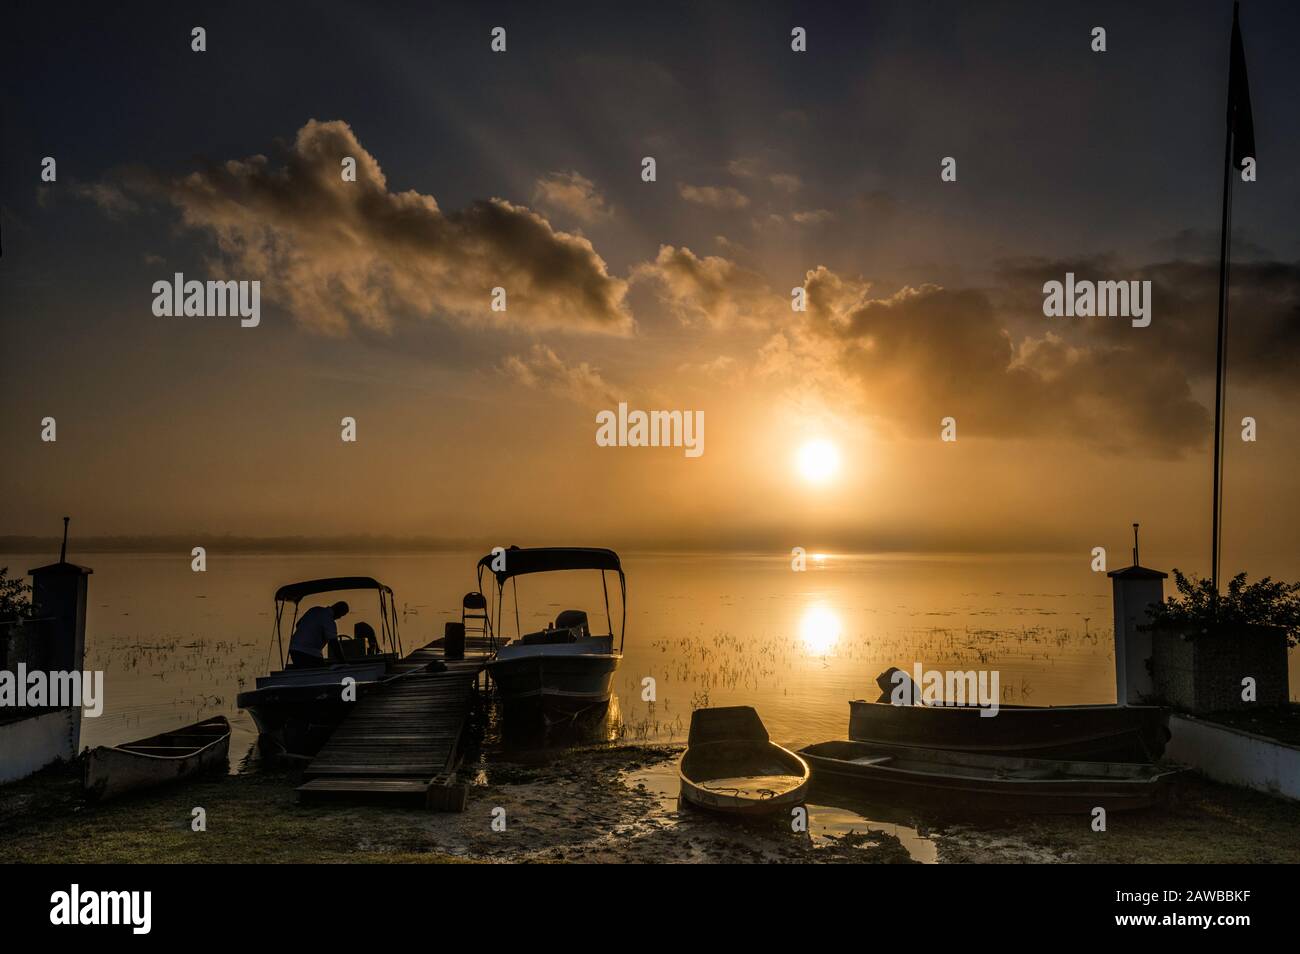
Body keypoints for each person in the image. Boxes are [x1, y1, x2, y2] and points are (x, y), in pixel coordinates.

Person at [288, 601, 348, 667]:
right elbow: (334, 643)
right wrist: (343, 662)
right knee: (322, 672)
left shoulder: (314, 610)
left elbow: (298, 624)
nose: (339, 618)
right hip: (309, 652)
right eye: (341, 615)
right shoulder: (329, 620)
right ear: (339, 612)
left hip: (294, 648)